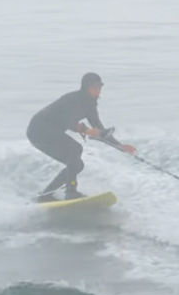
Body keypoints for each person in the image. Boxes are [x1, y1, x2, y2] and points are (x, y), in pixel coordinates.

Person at [26, 72, 136, 202]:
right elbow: (68, 122)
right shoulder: (72, 100)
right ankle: (71, 192)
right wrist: (87, 130)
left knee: (76, 164)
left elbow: (100, 130)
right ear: (86, 88)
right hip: (39, 129)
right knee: (75, 150)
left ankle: (46, 195)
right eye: (94, 87)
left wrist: (120, 146)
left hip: (48, 133)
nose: (98, 91)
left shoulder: (90, 105)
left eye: (99, 87)